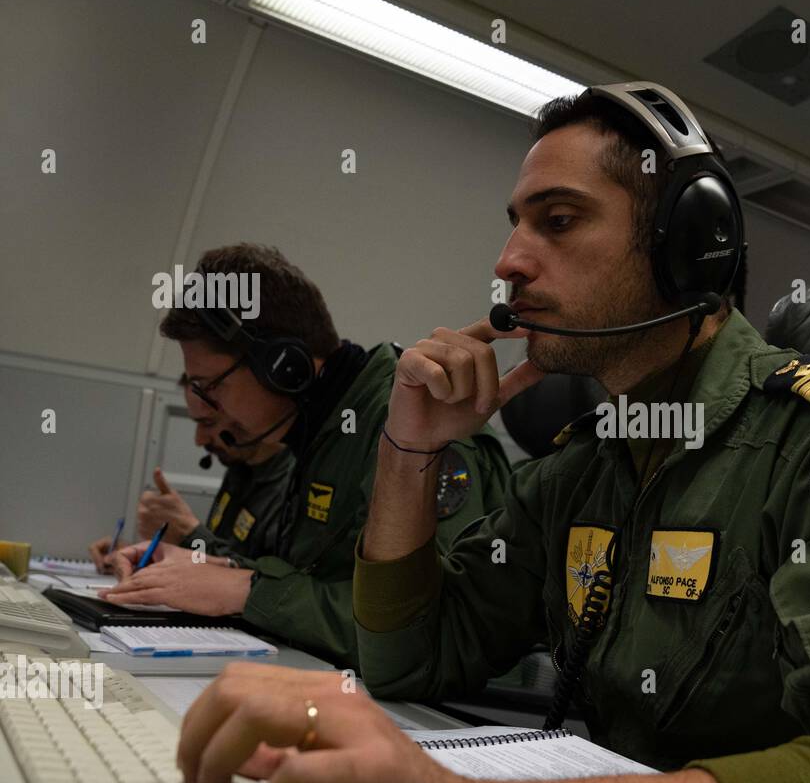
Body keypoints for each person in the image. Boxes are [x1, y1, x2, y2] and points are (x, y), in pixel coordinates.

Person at [177, 85, 810, 783]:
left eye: (557, 221)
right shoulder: (587, 468)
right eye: (516, 225)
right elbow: (408, 662)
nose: (509, 261)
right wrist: (411, 451)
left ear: (690, 246)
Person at [102, 243, 511, 669]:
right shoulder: (321, 432)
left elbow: (430, 629)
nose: (207, 411)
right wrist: (199, 561)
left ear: (282, 365)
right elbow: (306, 578)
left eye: (210, 387)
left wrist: (246, 590)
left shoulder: (412, 426)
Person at [89, 377, 294, 572]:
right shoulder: (239, 470)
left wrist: (189, 534)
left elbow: (264, 585)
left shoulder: (292, 486)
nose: (199, 439)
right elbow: (216, 563)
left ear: (247, 413)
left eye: (208, 423)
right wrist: (146, 557)